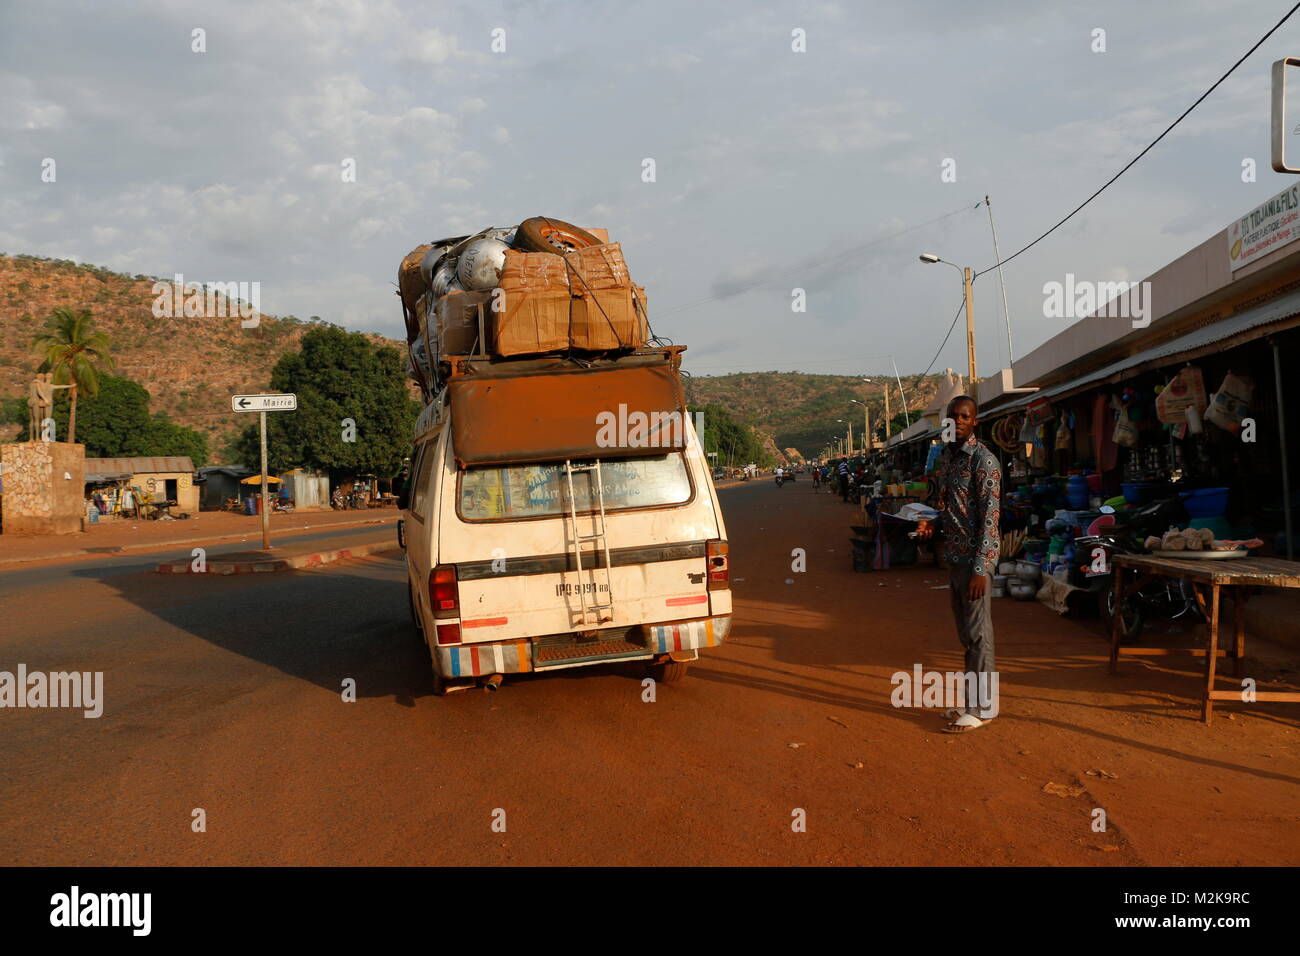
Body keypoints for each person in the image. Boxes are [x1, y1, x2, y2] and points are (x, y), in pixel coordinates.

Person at [916, 396, 1001, 734]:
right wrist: (930, 523)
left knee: (980, 634)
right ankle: (971, 702)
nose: (958, 421)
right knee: (967, 635)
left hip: (974, 562)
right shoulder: (949, 459)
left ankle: (984, 708)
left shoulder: (984, 461)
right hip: (954, 558)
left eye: (964, 416)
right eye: (953, 416)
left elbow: (990, 520)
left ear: (974, 421)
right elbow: (948, 507)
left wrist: (981, 569)